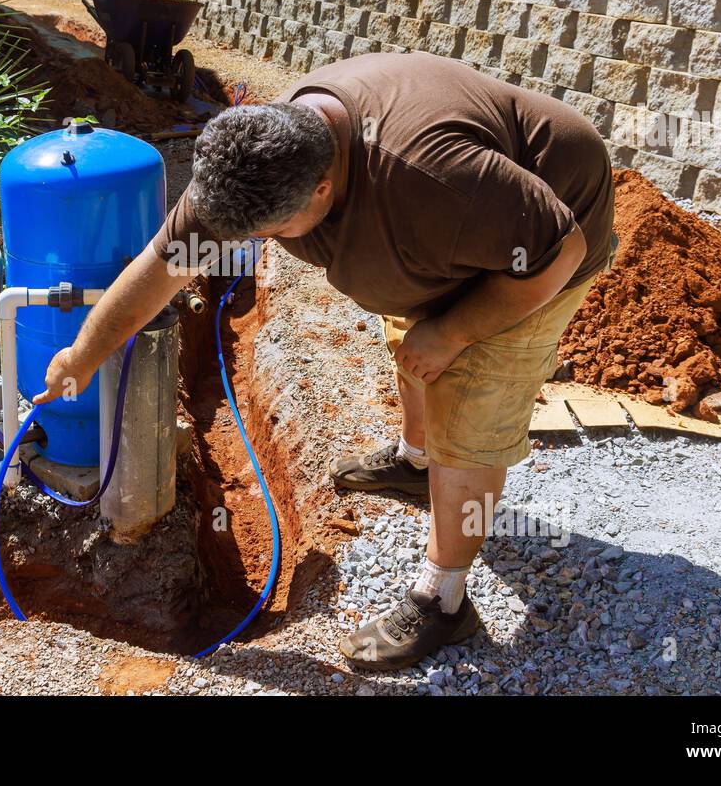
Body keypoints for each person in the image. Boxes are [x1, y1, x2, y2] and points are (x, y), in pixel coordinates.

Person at [32, 51, 615, 670]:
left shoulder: (433, 181)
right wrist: (83, 353)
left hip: (542, 243)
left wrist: (456, 331)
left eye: (271, 231)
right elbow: (161, 268)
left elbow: (560, 250)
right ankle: (419, 463)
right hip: (456, 233)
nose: (259, 242)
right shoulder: (253, 162)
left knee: (467, 415)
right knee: (410, 343)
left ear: (323, 187)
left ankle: (444, 599)